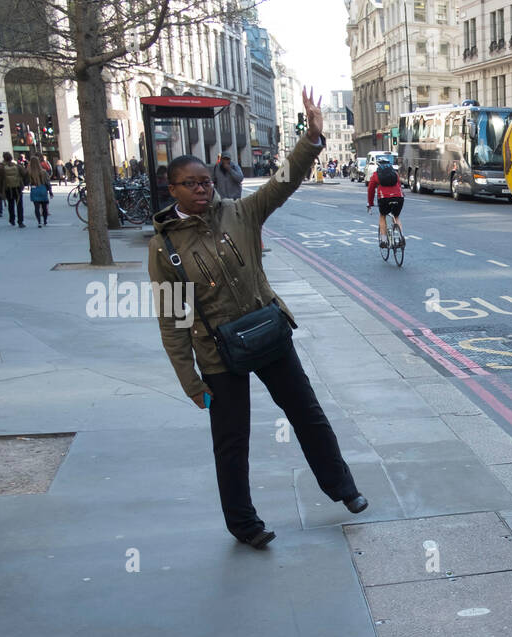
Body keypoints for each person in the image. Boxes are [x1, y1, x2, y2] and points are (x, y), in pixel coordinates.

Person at [148, 87, 368, 550]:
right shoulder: (165, 247)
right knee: (232, 443)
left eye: (206, 180)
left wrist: (311, 137)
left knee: (308, 414)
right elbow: (171, 319)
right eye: (191, 183)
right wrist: (191, 381)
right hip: (216, 354)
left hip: (267, 334)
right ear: (173, 190)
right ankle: (244, 525)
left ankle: (343, 488)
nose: (202, 188)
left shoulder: (240, 213)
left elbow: (282, 182)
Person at [367, 155, 404, 249]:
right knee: (396, 216)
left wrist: (370, 203)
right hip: (399, 197)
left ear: (378, 165)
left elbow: (371, 190)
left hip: (384, 198)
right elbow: (399, 185)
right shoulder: (395, 173)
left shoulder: (376, 174)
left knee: (382, 216)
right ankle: (401, 237)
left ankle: (383, 240)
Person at [0, 152, 26, 228]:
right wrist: (23, 184)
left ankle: (12, 219)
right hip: (17, 188)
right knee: (19, 205)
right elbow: (25, 174)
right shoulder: (17, 166)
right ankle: (20, 221)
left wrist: (0, 190)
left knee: (10, 204)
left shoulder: (1, 167)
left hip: (8, 188)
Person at [27, 154, 50, 226]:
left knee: (36, 207)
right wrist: (50, 191)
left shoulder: (29, 172)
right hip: (42, 189)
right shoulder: (43, 172)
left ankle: (39, 222)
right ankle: (45, 221)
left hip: (34, 189)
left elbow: (27, 181)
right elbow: (47, 182)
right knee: (44, 207)